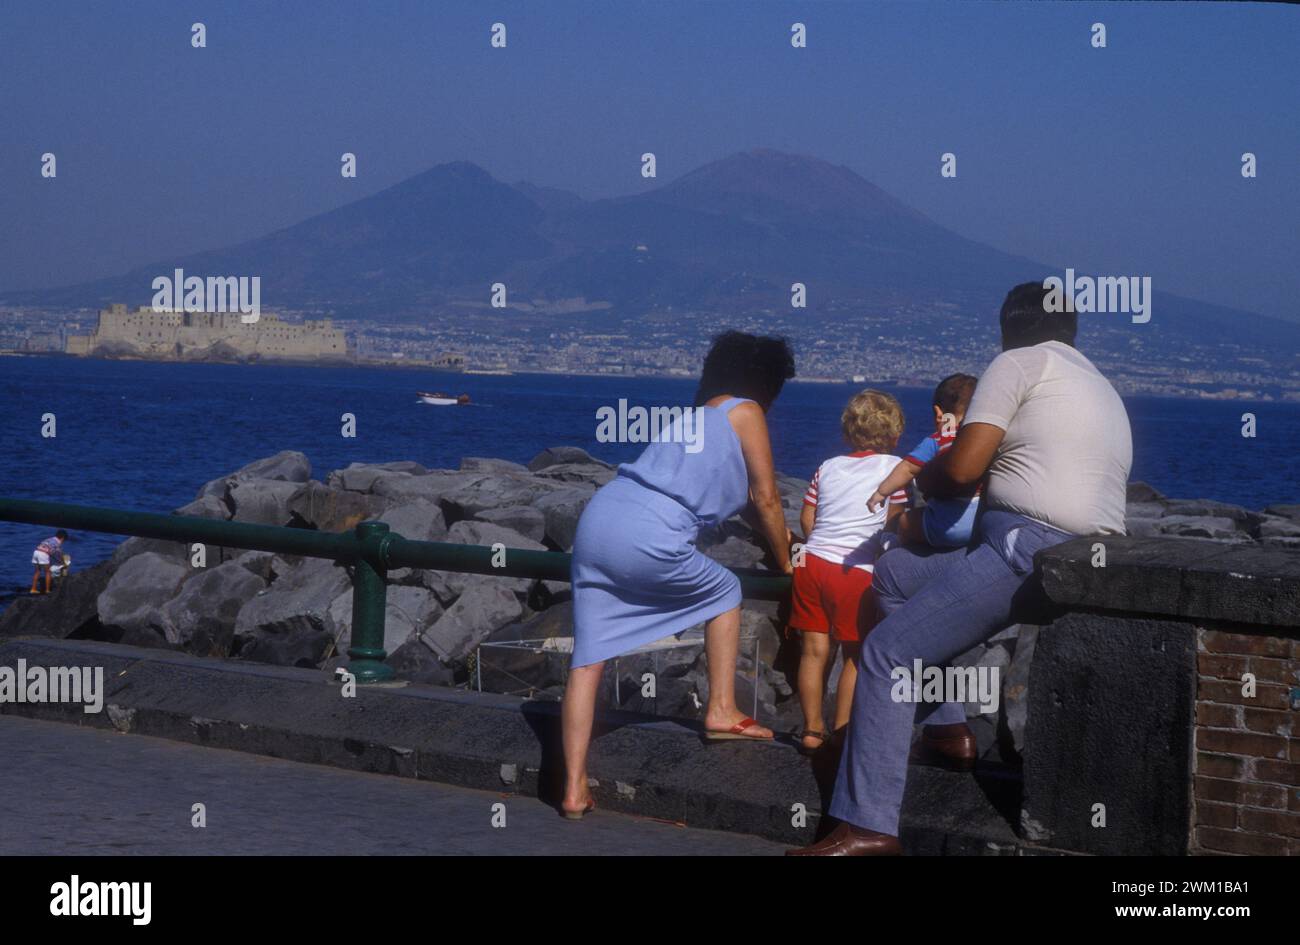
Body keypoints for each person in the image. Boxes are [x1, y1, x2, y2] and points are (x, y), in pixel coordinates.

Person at [790, 281, 1133, 856]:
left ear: (1008, 326)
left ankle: (868, 828)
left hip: (1024, 546)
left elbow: (961, 469)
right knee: (895, 577)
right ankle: (948, 728)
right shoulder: (1097, 383)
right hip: (1082, 551)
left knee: (886, 652)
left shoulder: (1016, 362)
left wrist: (914, 476)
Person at [561, 331, 796, 819]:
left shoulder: (692, 417)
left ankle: (573, 787)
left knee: (587, 658)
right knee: (726, 589)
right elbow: (766, 498)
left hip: (599, 520)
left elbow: (746, 503)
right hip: (649, 531)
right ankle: (722, 710)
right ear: (763, 382)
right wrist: (786, 560)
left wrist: (768, 533)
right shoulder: (745, 411)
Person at [791, 390, 908, 756]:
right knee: (856, 656)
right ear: (894, 433)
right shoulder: (895, 469)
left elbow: (806, 518)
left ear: (848, 431)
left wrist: (820, 543)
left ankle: (811, 730)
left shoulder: (828, 466)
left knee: (813, 651)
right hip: (855, 571)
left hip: (812, 565)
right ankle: (842, 732)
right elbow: (896, 522)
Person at [866, 374, 980, 550]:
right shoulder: (983, 441)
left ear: (938, 413)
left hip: (946, 526)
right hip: (982, 522)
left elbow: (908, 468)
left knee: (905, 522)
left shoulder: (937, 440)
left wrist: (881, 492)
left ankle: (893, 549)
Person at [30, 530, 69, 595]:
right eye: (64, 540)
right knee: (48, 572)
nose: (63, 542)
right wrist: (63, 563)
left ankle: (33, 589)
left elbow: (51, 552)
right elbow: (58, 555)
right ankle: (47, 590)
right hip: (43, 554)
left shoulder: (49, 539)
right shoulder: (57, 543)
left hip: (36, 552)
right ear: (62, 538)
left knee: (37, 571)